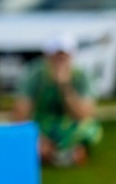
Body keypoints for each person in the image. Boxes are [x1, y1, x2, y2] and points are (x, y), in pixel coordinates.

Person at [15, 33, 103, 167]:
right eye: (56, 56)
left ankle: (59, 153)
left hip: (69, 124)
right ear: (47, 56)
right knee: (31, 138)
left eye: (64, 56)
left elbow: (84, 115)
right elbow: (20, 115)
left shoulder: (82, 76)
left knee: (88, 129)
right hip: (43, 123)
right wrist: (38, 138)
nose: (60, 60)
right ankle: (58, 154)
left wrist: (64, 86)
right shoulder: (34, 74)